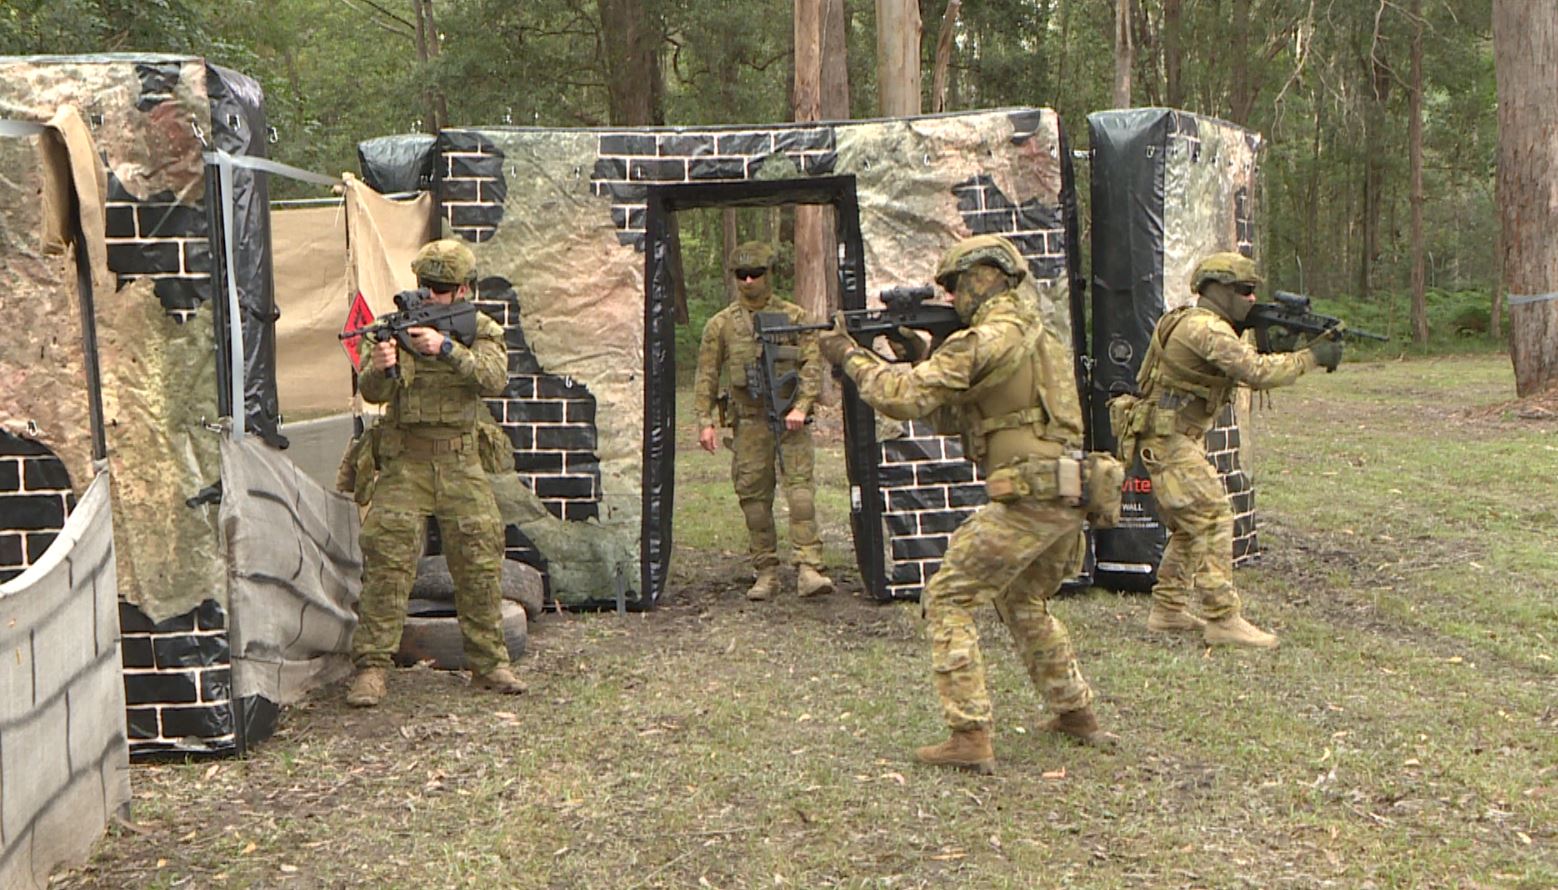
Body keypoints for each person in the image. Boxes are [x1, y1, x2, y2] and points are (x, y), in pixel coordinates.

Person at [818, 234, 1111, 773]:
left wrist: (850, 358)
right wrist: (922, 356)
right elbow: (955, 418)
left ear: (986, 275)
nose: (950, 298)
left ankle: (969, 734)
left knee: (949, 597)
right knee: (1022, 601)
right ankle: (1076, 712)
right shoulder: (1031, 335)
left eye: (955, 286)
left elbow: (901, 399)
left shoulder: (988, 336)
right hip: (1068, 491)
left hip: (1029, 494)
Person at [1118, 251, 1343, 649]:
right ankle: (1222, 618)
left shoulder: (1191, 319)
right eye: (1244, 290)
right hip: (1168, 440)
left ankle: (1167, 610)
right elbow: (1255, 372)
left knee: (1190, 527)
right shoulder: (1207, 329)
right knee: (1214, 517)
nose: (1252, 299)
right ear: (1217, 290)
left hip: (1168, 438)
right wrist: (1312, 356)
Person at [345, 239, 526, 706]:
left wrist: (446, 348)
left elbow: (493, 379)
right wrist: (383, 368)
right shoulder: (391, 330)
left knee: (480, 558)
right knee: (387, 559)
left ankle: (489, 664)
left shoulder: (478, 328)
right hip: (407, 460)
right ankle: (371, 668)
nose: (432, 295)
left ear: (463, 289)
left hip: (461, 460)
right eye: (427, 286)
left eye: (443, 289)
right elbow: (372, 392)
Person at [692, 241, 834, 601]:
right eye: (742, 275)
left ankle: (809, 567)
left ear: (770, 274)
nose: (749, 281)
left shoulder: (797, 318)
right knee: (754, 499)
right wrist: (704, 421)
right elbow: (707, 374)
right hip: (749, 422)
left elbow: (812, 366)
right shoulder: (721, 325)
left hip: (791, 421)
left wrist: (801, 406)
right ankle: (766, 570)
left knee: (800, 493)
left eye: (756, 274)